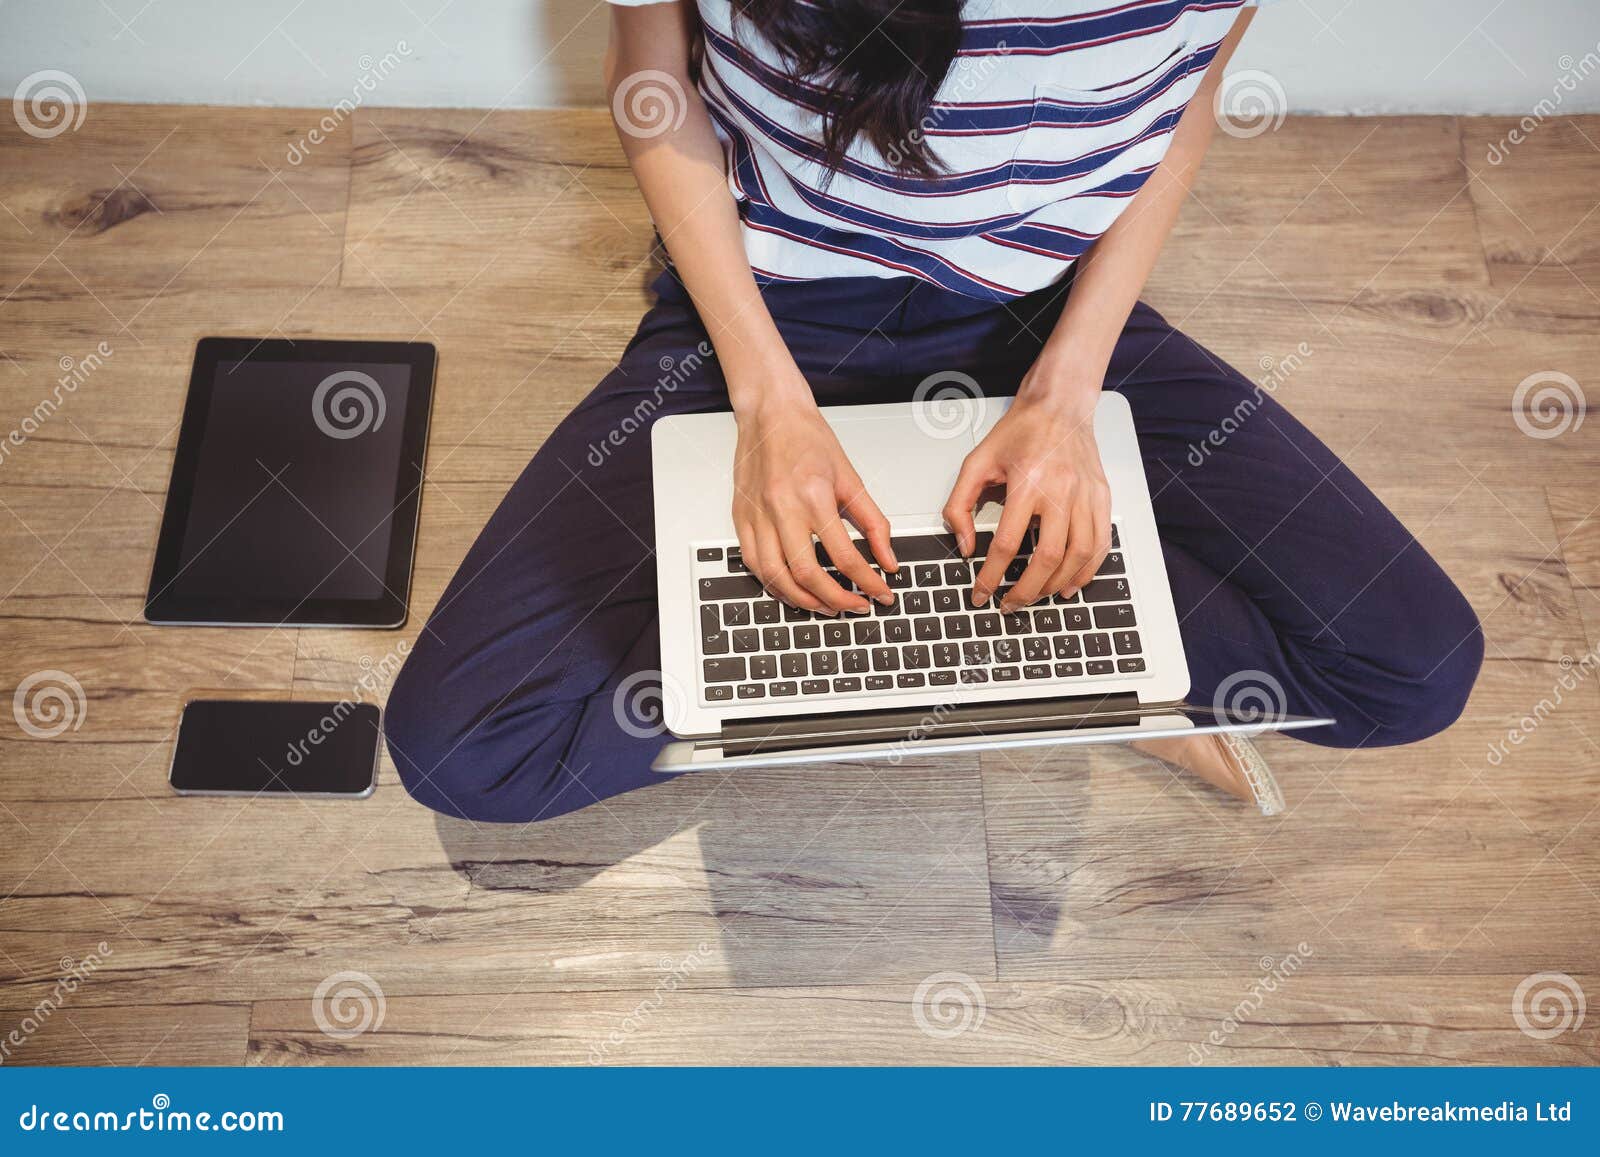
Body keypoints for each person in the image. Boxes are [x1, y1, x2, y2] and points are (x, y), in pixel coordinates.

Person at [384, 0, 1482, 823]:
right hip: (774, 303)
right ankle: (1056, 666)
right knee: (462, 749)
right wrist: (768, 401)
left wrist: (1064, 395)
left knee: (1411, 668)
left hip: (1037, 317)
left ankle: (1065, 665)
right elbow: (650, 80)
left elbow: (1182, 105)